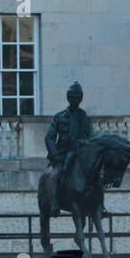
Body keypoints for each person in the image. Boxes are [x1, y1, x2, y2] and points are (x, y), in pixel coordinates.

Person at [45, 81, 94, 212]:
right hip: (62, 154)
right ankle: (54, 203)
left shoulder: (85, 117)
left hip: (81, 155)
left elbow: (91, 137)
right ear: (68, 98)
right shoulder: (59, 117)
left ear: (81, 99)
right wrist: (55, 155)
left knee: (96, 177)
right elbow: (49, 137)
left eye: (77, 97)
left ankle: (98, 205)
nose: (75, 100)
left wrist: (86, 145)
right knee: (55, 175)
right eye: (72, 97)